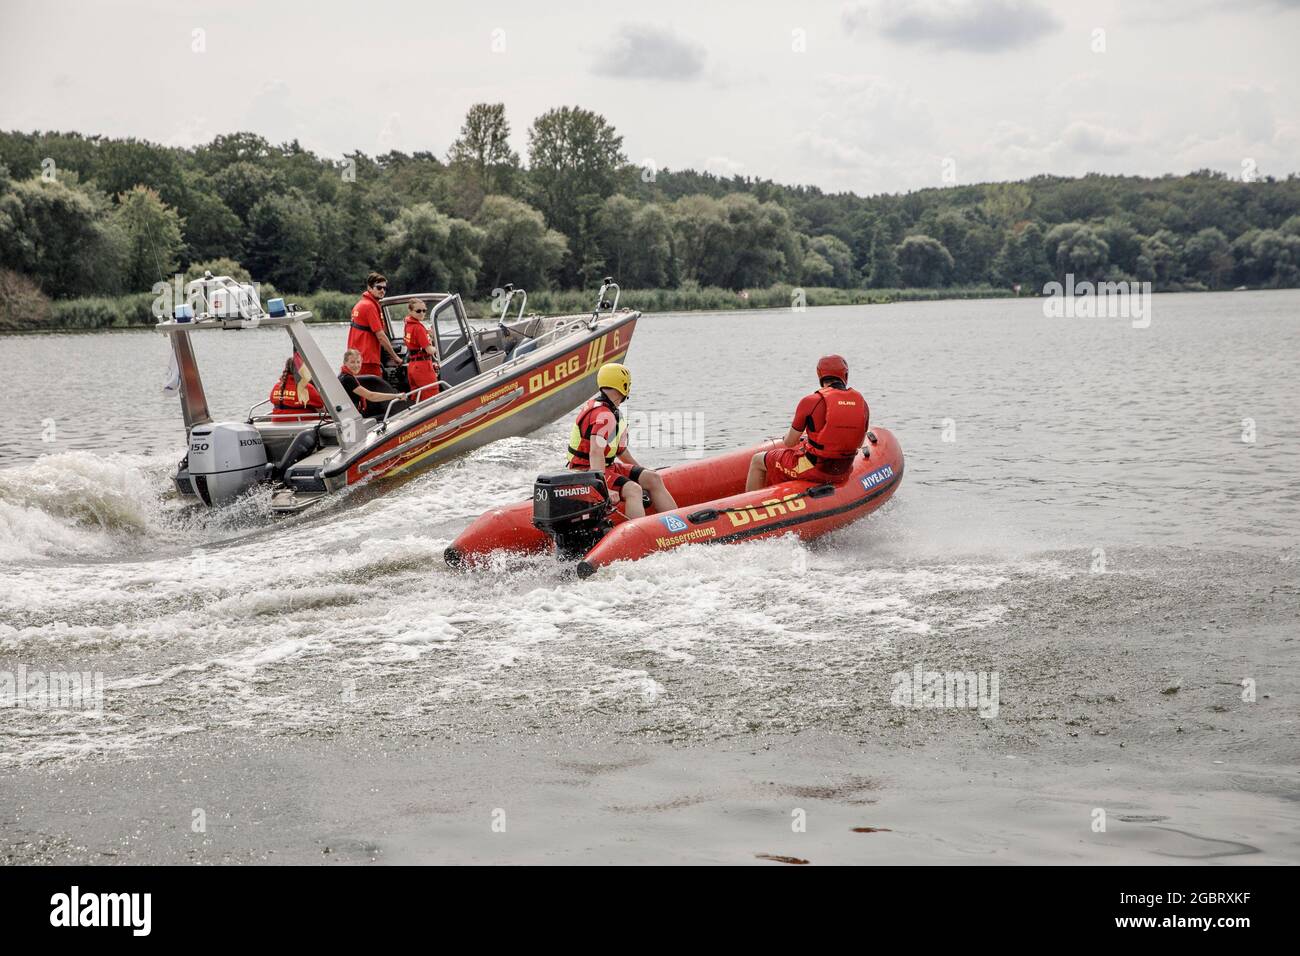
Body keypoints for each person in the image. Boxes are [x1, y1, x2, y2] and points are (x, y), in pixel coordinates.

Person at [567, 363, 677, 520]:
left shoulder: (610, 412)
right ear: (623, 385)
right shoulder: (603, 414)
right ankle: (640, 534)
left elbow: (620, 451)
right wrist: (603, 486)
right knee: (634, 490)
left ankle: (677, 525)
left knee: (653, 478)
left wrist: (641, 469)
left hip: (606, 467)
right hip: (586, 471)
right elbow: (596, 452)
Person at [745, 354, 869, 491]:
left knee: (757, 460)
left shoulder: (810, 401)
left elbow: (790, 442)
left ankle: (750, 507)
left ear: (820, 375)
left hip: (816, 470)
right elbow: (857, 443)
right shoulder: (862, 404)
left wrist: (787, 438)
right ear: (845, 375)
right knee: (804, 447)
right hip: (843, 472)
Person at [347, 271, 401, 377]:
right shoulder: (370, 306)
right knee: (377, 390)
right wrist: (395, 357)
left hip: (356, 358)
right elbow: (380, 336)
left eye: (385, 288)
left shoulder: (360, 304)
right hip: (367, 359)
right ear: (370, 288)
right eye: (379, 287)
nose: (382, 291)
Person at [338, 348, 407, 419]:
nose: (356, 365)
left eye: (358, 362)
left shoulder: (342, 375)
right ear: (345, 363)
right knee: (392, 416)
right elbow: (371, 396)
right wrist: (396, 396)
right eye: (352, 362)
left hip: (347, 414)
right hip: (351, 417)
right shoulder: (348, 379)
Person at [403, 299, 440, 398]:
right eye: (418, 311)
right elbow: (429, 350)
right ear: (410, 311)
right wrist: (438, 348)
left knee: (416, 397)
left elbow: (415, 343)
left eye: (424, 310)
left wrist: (429, 335)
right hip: (423, 367)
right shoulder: (419, 328)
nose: (422, 313)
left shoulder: (408, 325)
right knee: (432, 395)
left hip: (412, 366)